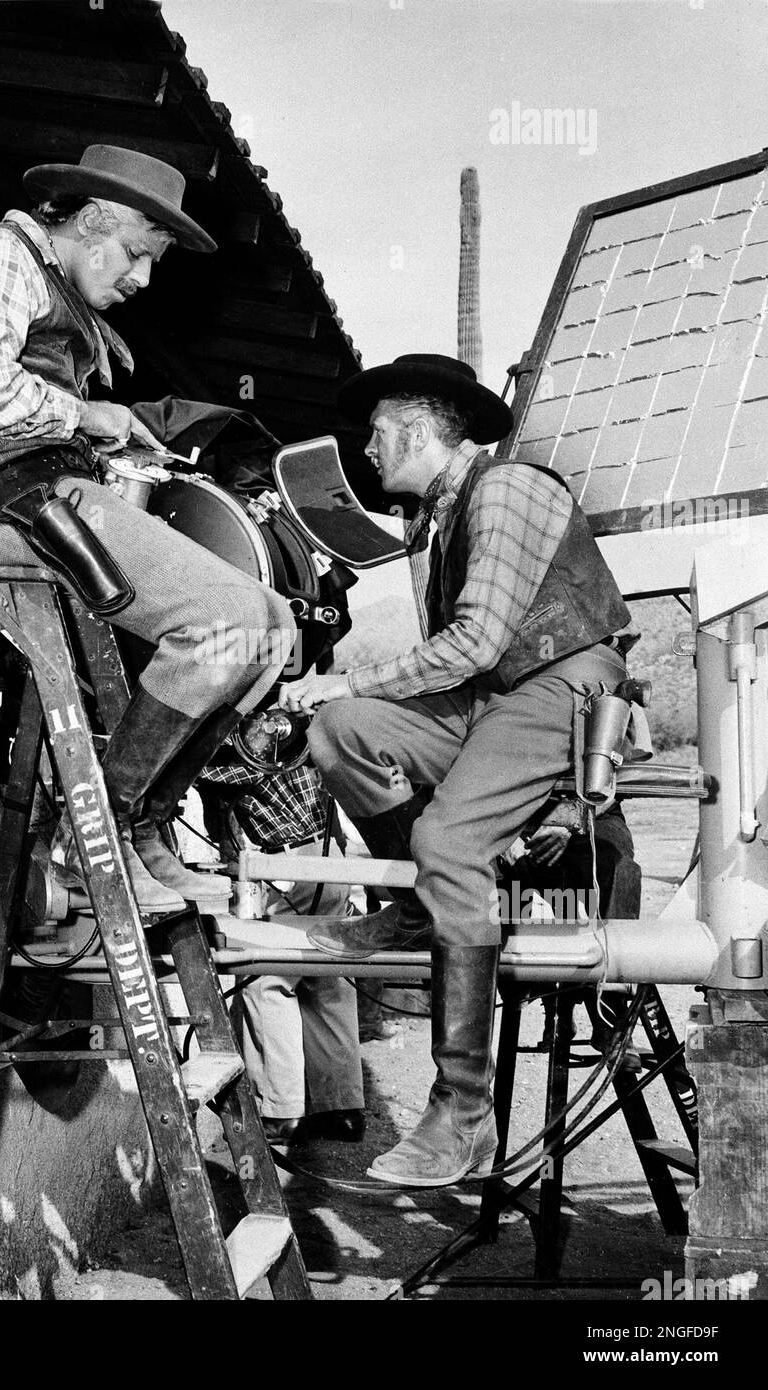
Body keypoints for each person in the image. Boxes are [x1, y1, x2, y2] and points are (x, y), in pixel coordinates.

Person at [0, 144, 296, 913]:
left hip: (45, 485)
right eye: (136, 254)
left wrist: (114, 435)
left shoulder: (54, 288)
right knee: (227, 618)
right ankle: (94, 838)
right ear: (89, 222)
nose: (141, 280)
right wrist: (90, 415)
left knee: (273, 628)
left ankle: (142, 823)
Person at [278, 354, 633, 1187]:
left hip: (561, 684)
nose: (365, 452)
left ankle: (462, 1110)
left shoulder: (505, 489)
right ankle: (418, 904)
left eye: (374, 435)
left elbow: (472, 643)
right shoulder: (434, 521)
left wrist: (343, 673)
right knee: (343, 731)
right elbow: (462, 666)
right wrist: (338, 696)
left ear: (411, 426)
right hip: (491, 696)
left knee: (444, 831)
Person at [199, 761, 365, 1144]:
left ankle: (281, 1111)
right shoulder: (292, 726)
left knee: (266, 979)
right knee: (326, 981)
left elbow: (211, 769)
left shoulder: (248, 740)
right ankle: (340, 1110)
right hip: (328, 855)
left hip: (293, 861)